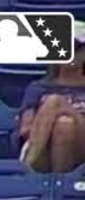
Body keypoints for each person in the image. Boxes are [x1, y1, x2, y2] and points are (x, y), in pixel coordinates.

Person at [17, 23, 85, 173]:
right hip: (45, 151)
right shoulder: (38, 88)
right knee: (64, 125)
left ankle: (25, 167)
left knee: (55, 102)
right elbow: (25, 129)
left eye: (76, 48)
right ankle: (58, 184)